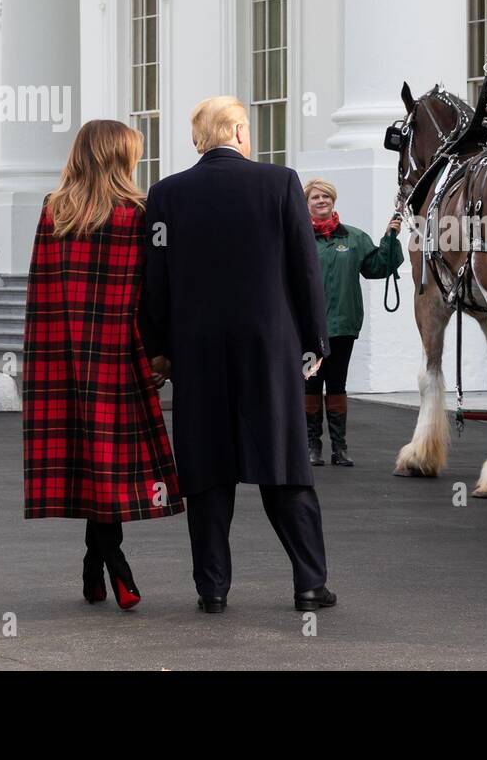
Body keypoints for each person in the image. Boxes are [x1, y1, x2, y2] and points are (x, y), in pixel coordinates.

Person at [139, 96, 335, 615]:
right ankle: (310, 584)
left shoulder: (165, 195)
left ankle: (213, 588)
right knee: (284, 465)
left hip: (196, 351)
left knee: (206, 471)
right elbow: (304, 270)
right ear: (240, 133)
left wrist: (157, 349)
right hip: (270, 348)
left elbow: (153, 283)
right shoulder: (280, 183)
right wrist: (316, 340)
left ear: (200, 138)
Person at [22, 119, 183, 612]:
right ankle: (115, 566)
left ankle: (96, 566)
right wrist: (161, 352)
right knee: (109, 462)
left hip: (62, 357)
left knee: (92, 462)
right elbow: (155, 293)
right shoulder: (138, 213)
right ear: (119, 157)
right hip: (118, 355)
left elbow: (39, 290)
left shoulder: (54, 211)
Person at [303, 179, 404, 467]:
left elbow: (376, 267)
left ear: (333, 201)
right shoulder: (297, 239)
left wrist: (389, 239)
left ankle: (340, 448)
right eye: (315, 197)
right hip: (307, 328)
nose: (321, 200)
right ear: (306, 203)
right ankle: (312, 447)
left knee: (337, 384)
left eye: (326, 196)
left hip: (343, 326)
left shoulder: (354, 238)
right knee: (310, 385)